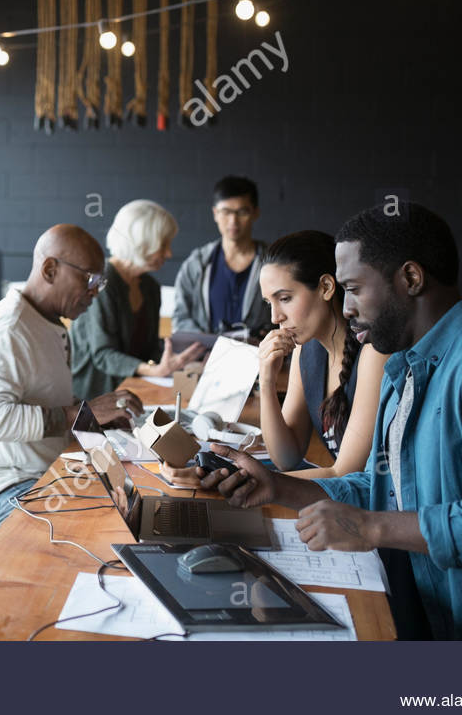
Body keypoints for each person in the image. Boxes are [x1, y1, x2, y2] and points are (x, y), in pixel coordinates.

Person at [203, 203, 462, 639]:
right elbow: (389, 488)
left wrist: (371, 527)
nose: (344, 308)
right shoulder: (408, 370)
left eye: (354, 288)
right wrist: (281, 487)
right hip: (440, 622)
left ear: (411, 279)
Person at [163, 230, 384, 487]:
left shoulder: (373, 353)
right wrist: (266, 380)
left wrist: (239, 480)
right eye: (270, 302)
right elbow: (286, 458)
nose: (275, 317)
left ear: (326, 287)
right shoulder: (307, 351)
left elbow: (345, 475)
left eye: (285, 298)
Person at [0, 224, 145, 528]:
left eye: (101, 281)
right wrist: (77, 414)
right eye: (89, 279)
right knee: (94, 530)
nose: (95, 291)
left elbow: (47, 400)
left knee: (131, 507)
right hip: (3, 487)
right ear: (49, 269)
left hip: (44, 472)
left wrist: (95, 413)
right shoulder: (10, 326)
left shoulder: (50, 324)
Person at [69, 200, 204, 399]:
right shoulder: (101, 283)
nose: (169, 253)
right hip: (95, 396)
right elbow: (103, 354)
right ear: (141, 243)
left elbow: (148, 349)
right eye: (163, 245)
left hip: (133, 390)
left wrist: (183, 359)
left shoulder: (150, 288)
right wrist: (155, 370)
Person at [172, 176, 272, 336]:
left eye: (242, 212)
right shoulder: (197, 263)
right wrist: (208, 344)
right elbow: (180, 318)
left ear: (255, 213)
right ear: (215, 213)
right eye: (226, 212)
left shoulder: (273, 262)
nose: (233, 221)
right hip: (206, 358)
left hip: (259, 357)